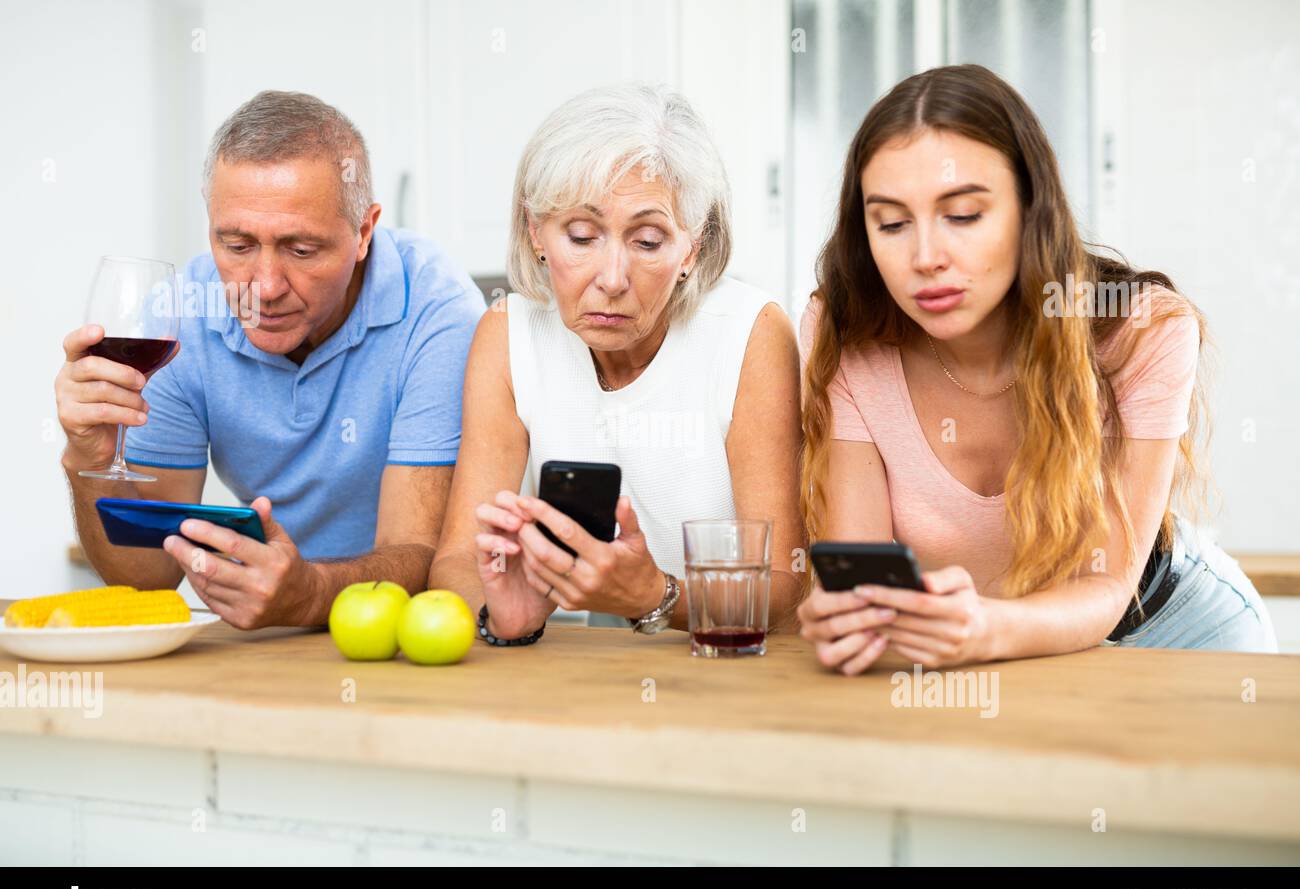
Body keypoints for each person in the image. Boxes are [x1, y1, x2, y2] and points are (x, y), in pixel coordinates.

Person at [796, 65, 1276, 675]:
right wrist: (845, 617)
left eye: (964, 215)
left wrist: (981, 628)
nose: (925, 258)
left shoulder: (1141, 331)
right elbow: (859, 570)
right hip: (994, 654)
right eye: (891, 223)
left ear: (1030, 208)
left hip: (1175, 631)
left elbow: (1102, 589)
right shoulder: (845, 333)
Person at [55, 91, 483, 628]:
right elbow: (147, 575)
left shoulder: (437, 310)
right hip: (269, 643)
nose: (263, 287)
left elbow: (422, 555)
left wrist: (309, 594)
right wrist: (87, 457)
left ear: (364, 233)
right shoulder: (180, 315)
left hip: (407, 639)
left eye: (301, 250)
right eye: (236, 245)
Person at [427, 84, 805, 643]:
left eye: (648, 242)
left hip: (741, 668)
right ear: (536, 232)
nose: (611, 278)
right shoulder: (508, 334)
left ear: (692, 249)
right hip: (603, 671)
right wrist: (500, 613)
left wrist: (656, 596)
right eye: (581, 236)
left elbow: (782, 584)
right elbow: (458, 558)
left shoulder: (750, 333)